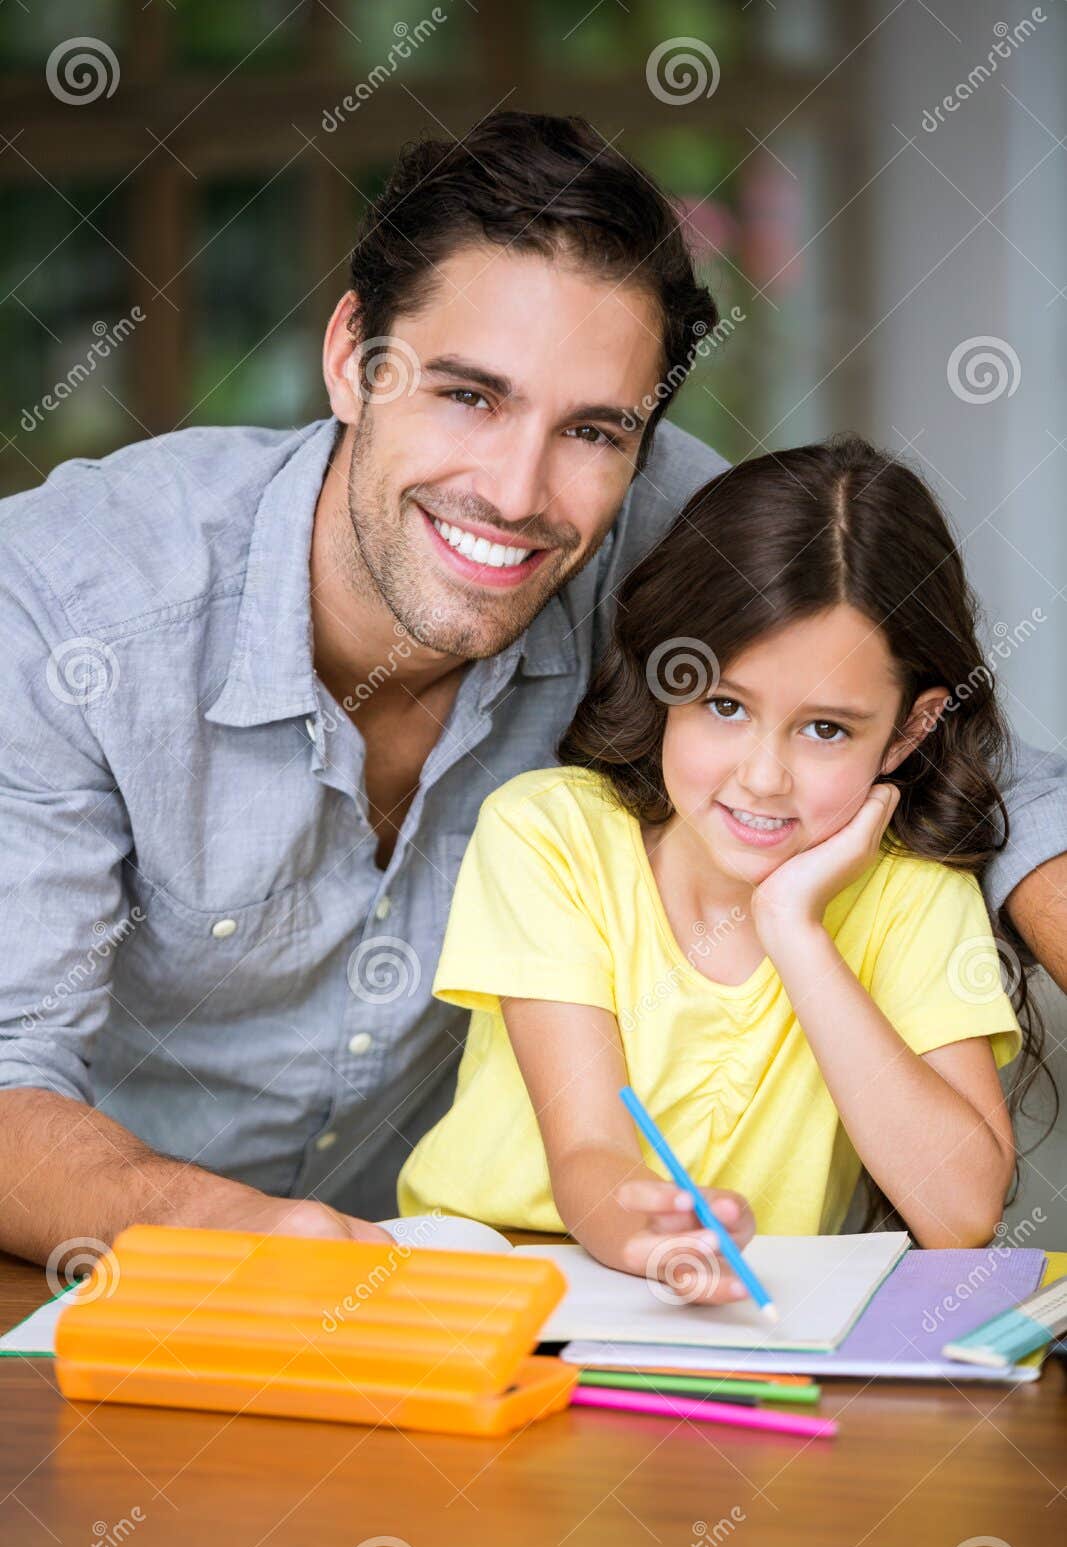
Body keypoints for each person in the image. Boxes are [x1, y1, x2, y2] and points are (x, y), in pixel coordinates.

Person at [0, 115, 1063, 1270]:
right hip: (107, 1273)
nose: (514, 493)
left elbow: (965, 758)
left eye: (593, 431)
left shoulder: (654, 543)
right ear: (356, 356)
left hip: (493, 1316)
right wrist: (238, 1232)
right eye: (468, 395)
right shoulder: (71, 606)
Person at [398, 439, 1033, 1298]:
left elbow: (959, 1213)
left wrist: (794, 931)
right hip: (490, 1286)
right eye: (725, 707)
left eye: (826, 730)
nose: (762, 778)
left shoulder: (914, 897)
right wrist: (655, 1235)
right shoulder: (550, 835)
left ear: (912, 729)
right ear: (667, 678)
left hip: (726, 1325)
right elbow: (588, 1149)